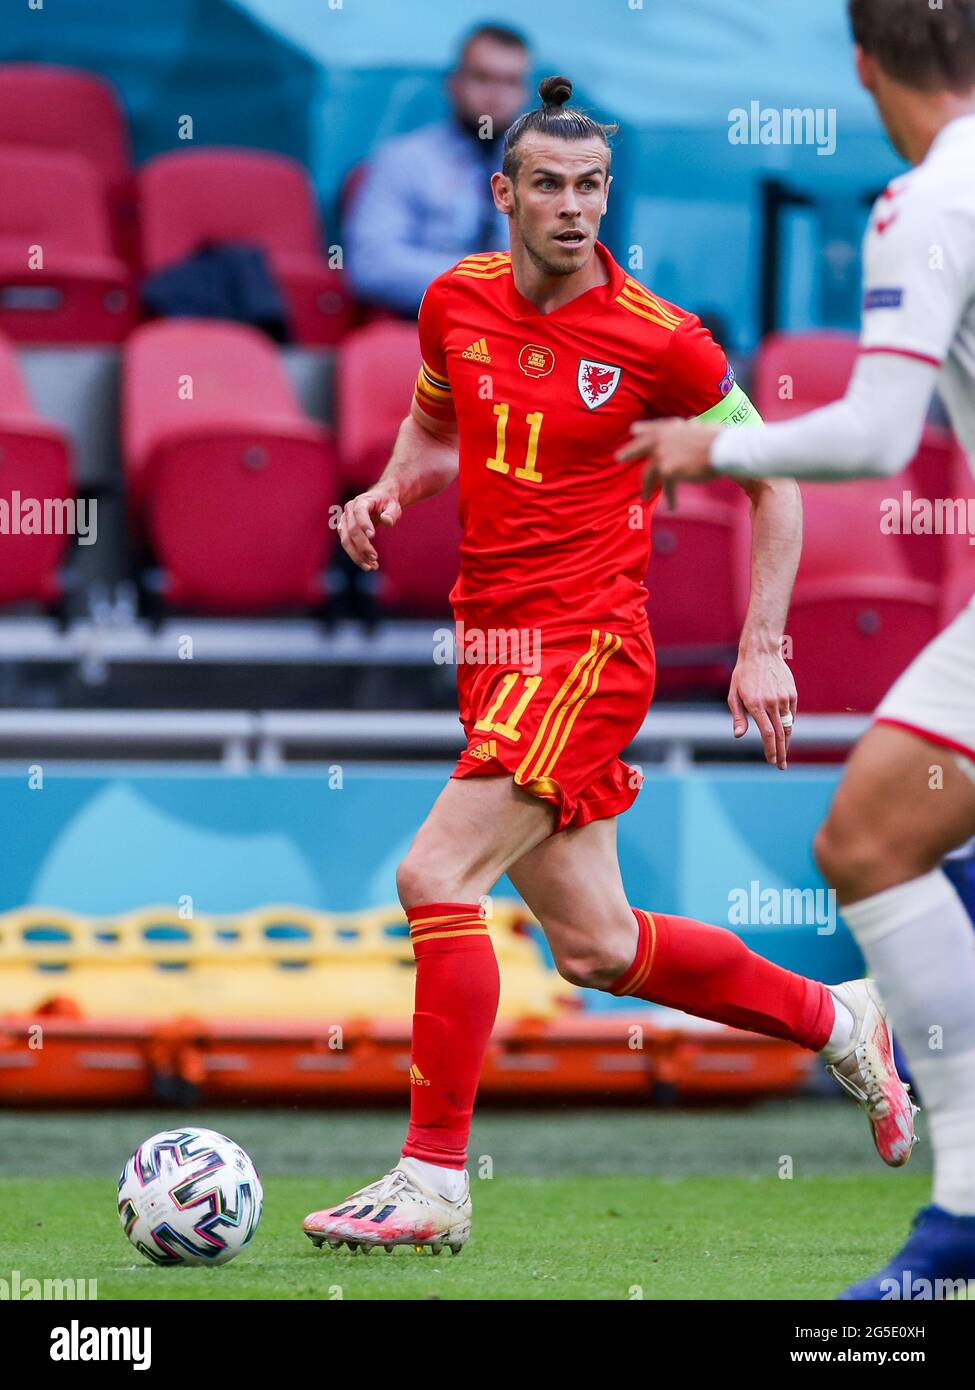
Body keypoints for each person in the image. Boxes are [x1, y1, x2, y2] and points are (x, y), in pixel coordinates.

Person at [303, 76, 915, 1257]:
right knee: (598, 945)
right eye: (550, 185)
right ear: (506, 193)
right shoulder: (454, 303)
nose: (574, 208)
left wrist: (764, 643)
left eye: (592, 187)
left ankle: (433, 1178)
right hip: (493, 651)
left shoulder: (662, 341)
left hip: (587, 650)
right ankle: (839, 1016)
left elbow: (773, 481)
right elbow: (439, 431)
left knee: (437, 876)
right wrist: (388, 489)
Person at [624, 0, 975, 1301]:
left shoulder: (922, 203)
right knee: (888, 839)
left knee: (872, 843)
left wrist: (708, 445)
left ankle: (957, 1222)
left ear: (861, 66)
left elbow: (874, 437)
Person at [344, 24, 531, 317]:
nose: (496, 94)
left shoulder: (539, 171)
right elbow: (370, 264)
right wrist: (478, 282)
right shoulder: (404, 160)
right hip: (422, 327)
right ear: (453, 83)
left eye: (509, 82)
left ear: (524, 93)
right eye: (482, 78)